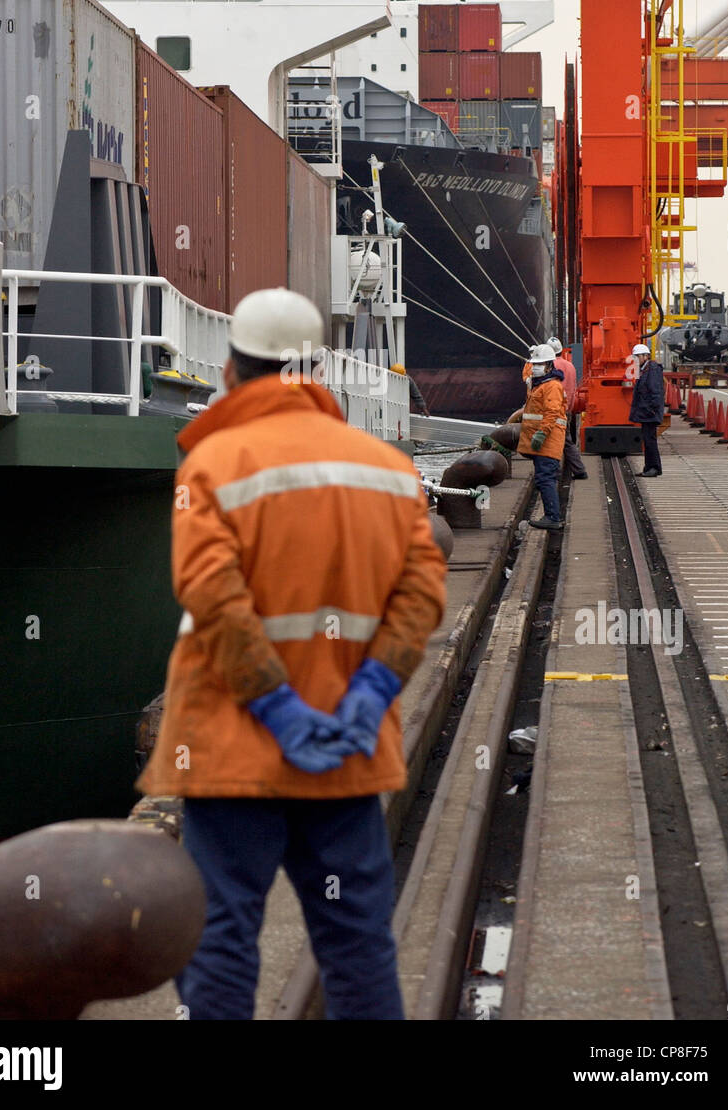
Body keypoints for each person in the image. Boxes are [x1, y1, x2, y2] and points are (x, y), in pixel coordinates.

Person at [137, 288, 447, 1020]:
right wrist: (367, 694)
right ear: (315, 370)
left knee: (220, 937)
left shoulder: (212, 465)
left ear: (228, 368)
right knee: (356, 942)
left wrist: (276, 707)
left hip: (231, 754)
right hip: (347, 751)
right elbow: (420, 595)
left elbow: (213, 596)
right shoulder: (387, 468)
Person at [517, 342, 568, 530]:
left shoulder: (551, 386)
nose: (535, 367)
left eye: (539, 364)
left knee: (545, 478)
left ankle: (553, 517)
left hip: (547, 441)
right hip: (543, 441)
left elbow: (552, 413)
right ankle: (552, 515)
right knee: (544, 478)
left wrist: (541, 434)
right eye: (534, 364)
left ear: (549, 366)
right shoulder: (541, 385)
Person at [547, 337, 587, 480]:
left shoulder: (551, 365)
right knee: (565, 441)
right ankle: (578, 470)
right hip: (568, 408)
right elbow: (573, 387)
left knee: (554, 442)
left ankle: (556, 472)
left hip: (554, 409)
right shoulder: (570, 365)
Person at [628, 341, 665, 477]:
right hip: (646, 411)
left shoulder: (652, 370)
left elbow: (655, 391)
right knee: (647, 440)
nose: (636, 359)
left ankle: (654, 468)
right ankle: (649, 467)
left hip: (650, 412)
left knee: (650, 441)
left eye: (638, 356)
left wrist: (652, 409)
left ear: (645, 356)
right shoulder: (645, 369)